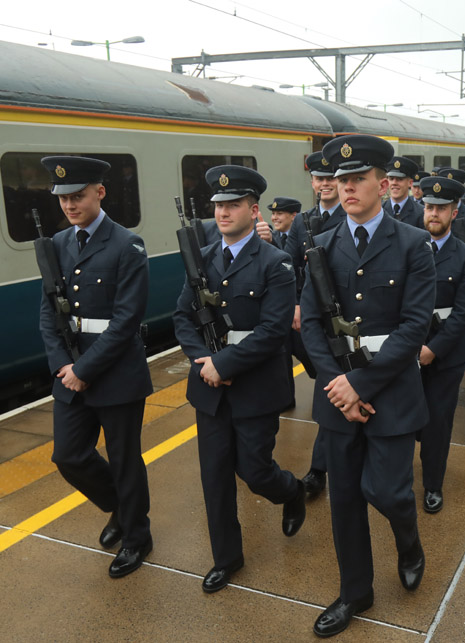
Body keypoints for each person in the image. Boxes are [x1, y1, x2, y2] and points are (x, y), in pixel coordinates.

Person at [299, 134, 435, 638]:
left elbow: (415, 324)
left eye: (358, 179)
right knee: (344, 500)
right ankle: (355, 590)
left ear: (383, 181)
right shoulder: (321, 245)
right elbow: (311, 324)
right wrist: (338, 384)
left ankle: (409, 541)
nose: (348, 187)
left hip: (391, 389)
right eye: (340, 180)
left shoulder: (413, 244)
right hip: (338, 393)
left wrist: (361, 384)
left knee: (388, 492)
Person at [173, 165, 306, 594]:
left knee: (255, 471)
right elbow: (183, 317)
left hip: (255, 387)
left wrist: (224, 364)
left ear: (254, 210)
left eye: (232, 205)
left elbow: (273, 331)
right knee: (214, 476)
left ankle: (290, 492)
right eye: (218, 206)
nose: (223, 213)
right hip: (209, 387)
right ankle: (226, 559)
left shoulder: (276, 262)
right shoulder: (205, 258)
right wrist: (202, 360)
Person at [38, 155, 153, 578]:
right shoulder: (57, 244)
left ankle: (137, 535)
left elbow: (126, 322)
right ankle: (121, 508)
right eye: (63, 198)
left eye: (78, 196)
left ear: (99, 193)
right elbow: (48, 313)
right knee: (68, 456)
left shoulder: (127, 245)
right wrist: (63, 366)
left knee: (125, 459)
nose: (70, 205)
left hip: (116, 372)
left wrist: (84, 369)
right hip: (70, 372)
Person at [416, 175, 465, 514]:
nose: (433, 214)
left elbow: (464, 312)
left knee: (438, 422)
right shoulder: (409, 246)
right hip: (408, 349)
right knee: (405, 416)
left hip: (445, 353)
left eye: (441, 208)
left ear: (454, 212)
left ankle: (432, 484)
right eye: (428, 207)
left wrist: (433, 349)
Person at [286, 151, 346, 500]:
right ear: (312, 182)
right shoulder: (302, 221)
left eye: (330, 178)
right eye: (319, 179)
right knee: (327, 388)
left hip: (342, 318)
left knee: (334, 389)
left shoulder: (348, 216)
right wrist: (296, 303)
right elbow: (292, 264)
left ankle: (319, 468)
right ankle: (322, 465)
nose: (324, 184)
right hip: (312, 318)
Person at [267, 196, 303, 401]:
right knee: (282, 354)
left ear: (294, 216)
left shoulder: (300, 236)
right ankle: (286, 398)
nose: (275, 217)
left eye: (280, 213)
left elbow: (289, 266)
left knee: (308, 354)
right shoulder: (275, 237)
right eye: (273, 214)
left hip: (299, 305)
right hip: (282, 308)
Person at [382, 156, 423, 227]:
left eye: (399, 179)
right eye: (391, 179)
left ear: (410, 183)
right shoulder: (380, 210)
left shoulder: (420, 213)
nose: (394, 183)